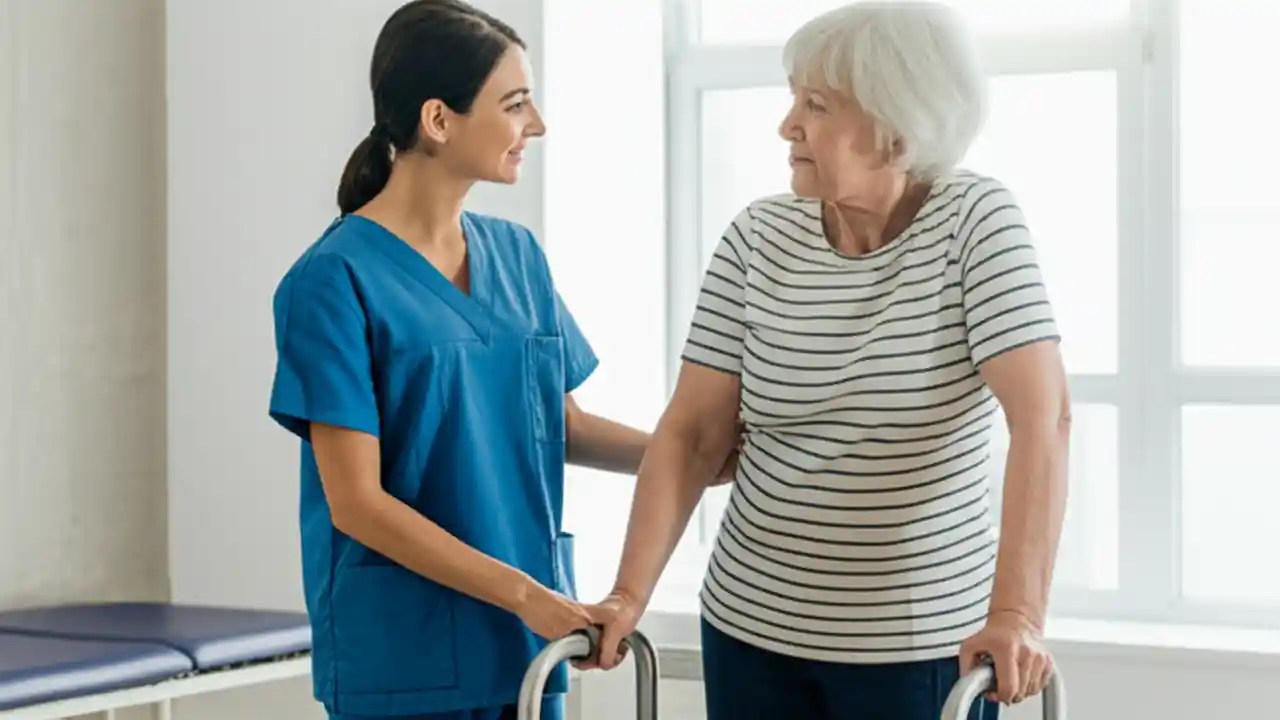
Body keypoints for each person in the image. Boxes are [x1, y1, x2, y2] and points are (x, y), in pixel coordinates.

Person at [587, 3, 1071, 719]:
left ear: (899, 131)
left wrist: (1018, 614)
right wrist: (629, 594)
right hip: (750, 630)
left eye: (815, 105)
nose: (788, 125)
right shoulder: (758, 238)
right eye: (794, 99)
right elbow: (691, 435)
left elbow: (1045, 419)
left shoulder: (977, 223)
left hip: (916, 647)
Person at [267, 2, 722, 718]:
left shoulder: (518, 255)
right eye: (514, 104)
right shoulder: (332, 280)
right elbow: (356, 504)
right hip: (404, 656)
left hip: (525, 650)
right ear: (438, 120)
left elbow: (557, 423)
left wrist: (691, 455)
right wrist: (525, 594)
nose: (535, 124)